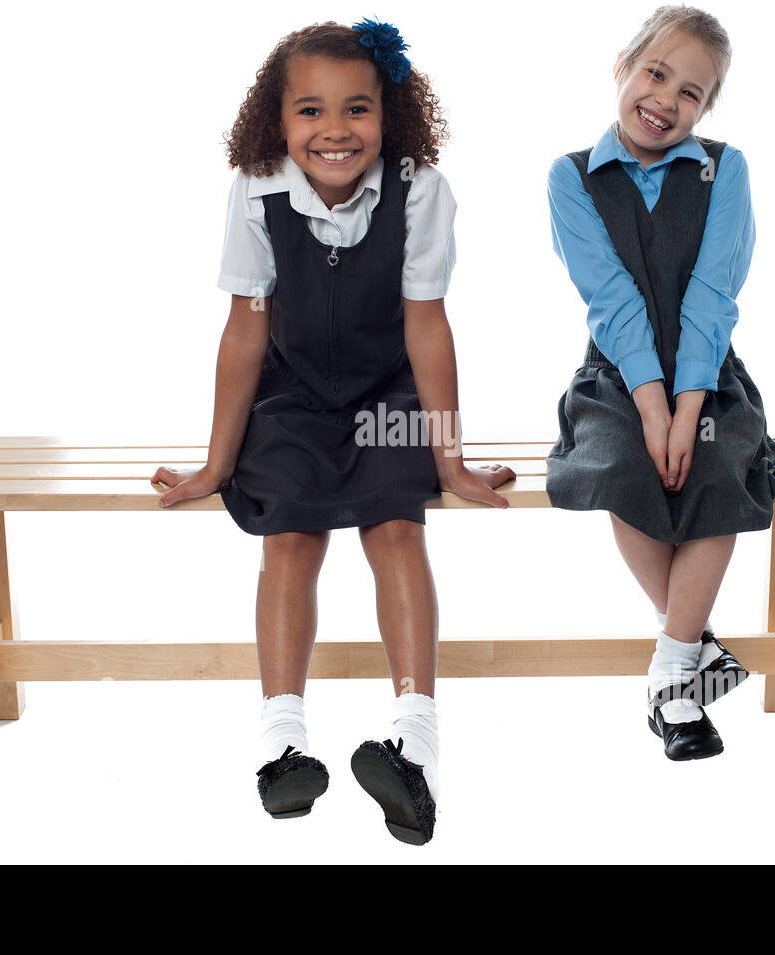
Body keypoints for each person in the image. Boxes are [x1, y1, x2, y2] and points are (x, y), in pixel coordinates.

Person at [152, 18, 513, 845]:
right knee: (290, 535)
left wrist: (449, 458)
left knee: (395, 525)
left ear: (389, 115)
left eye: (357, 109)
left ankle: (413, 746)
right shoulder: (257, 187)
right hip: (295, 398)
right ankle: (282, 748)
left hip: (388, 394)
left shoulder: (420, 190)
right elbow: (246, 328)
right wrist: (216, 461)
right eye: (310, 111)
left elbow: (427, 325)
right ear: (277, 122)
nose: (335, 130)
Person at [544, 5, 775, 761]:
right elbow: (610, 298)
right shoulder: (570, 176)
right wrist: (651, 402)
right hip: (616, 377)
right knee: (622, 466)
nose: (666, 99)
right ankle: (693, 654)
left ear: (708, 106)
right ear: (623, 67)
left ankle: (671, 670)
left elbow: (713, 292)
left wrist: (689, 398)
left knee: (716, 464)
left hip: (710, 373)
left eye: (691, 92)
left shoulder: (725, 169)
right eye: (655, 73)